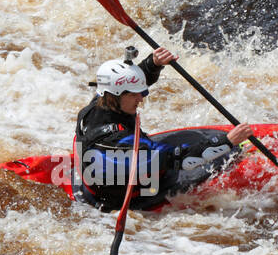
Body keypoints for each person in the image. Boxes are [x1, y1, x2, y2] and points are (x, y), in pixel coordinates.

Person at [71, 45, 254, 212]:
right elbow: (183, 158)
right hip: (132, 197)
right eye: (137, 94)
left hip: (95, 181)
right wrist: (228, 141)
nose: (141, 98)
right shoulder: (126, 145)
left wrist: (153, 64)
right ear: (117, 95)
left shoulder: (96, 106)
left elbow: (126, 82)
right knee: (188, 155)